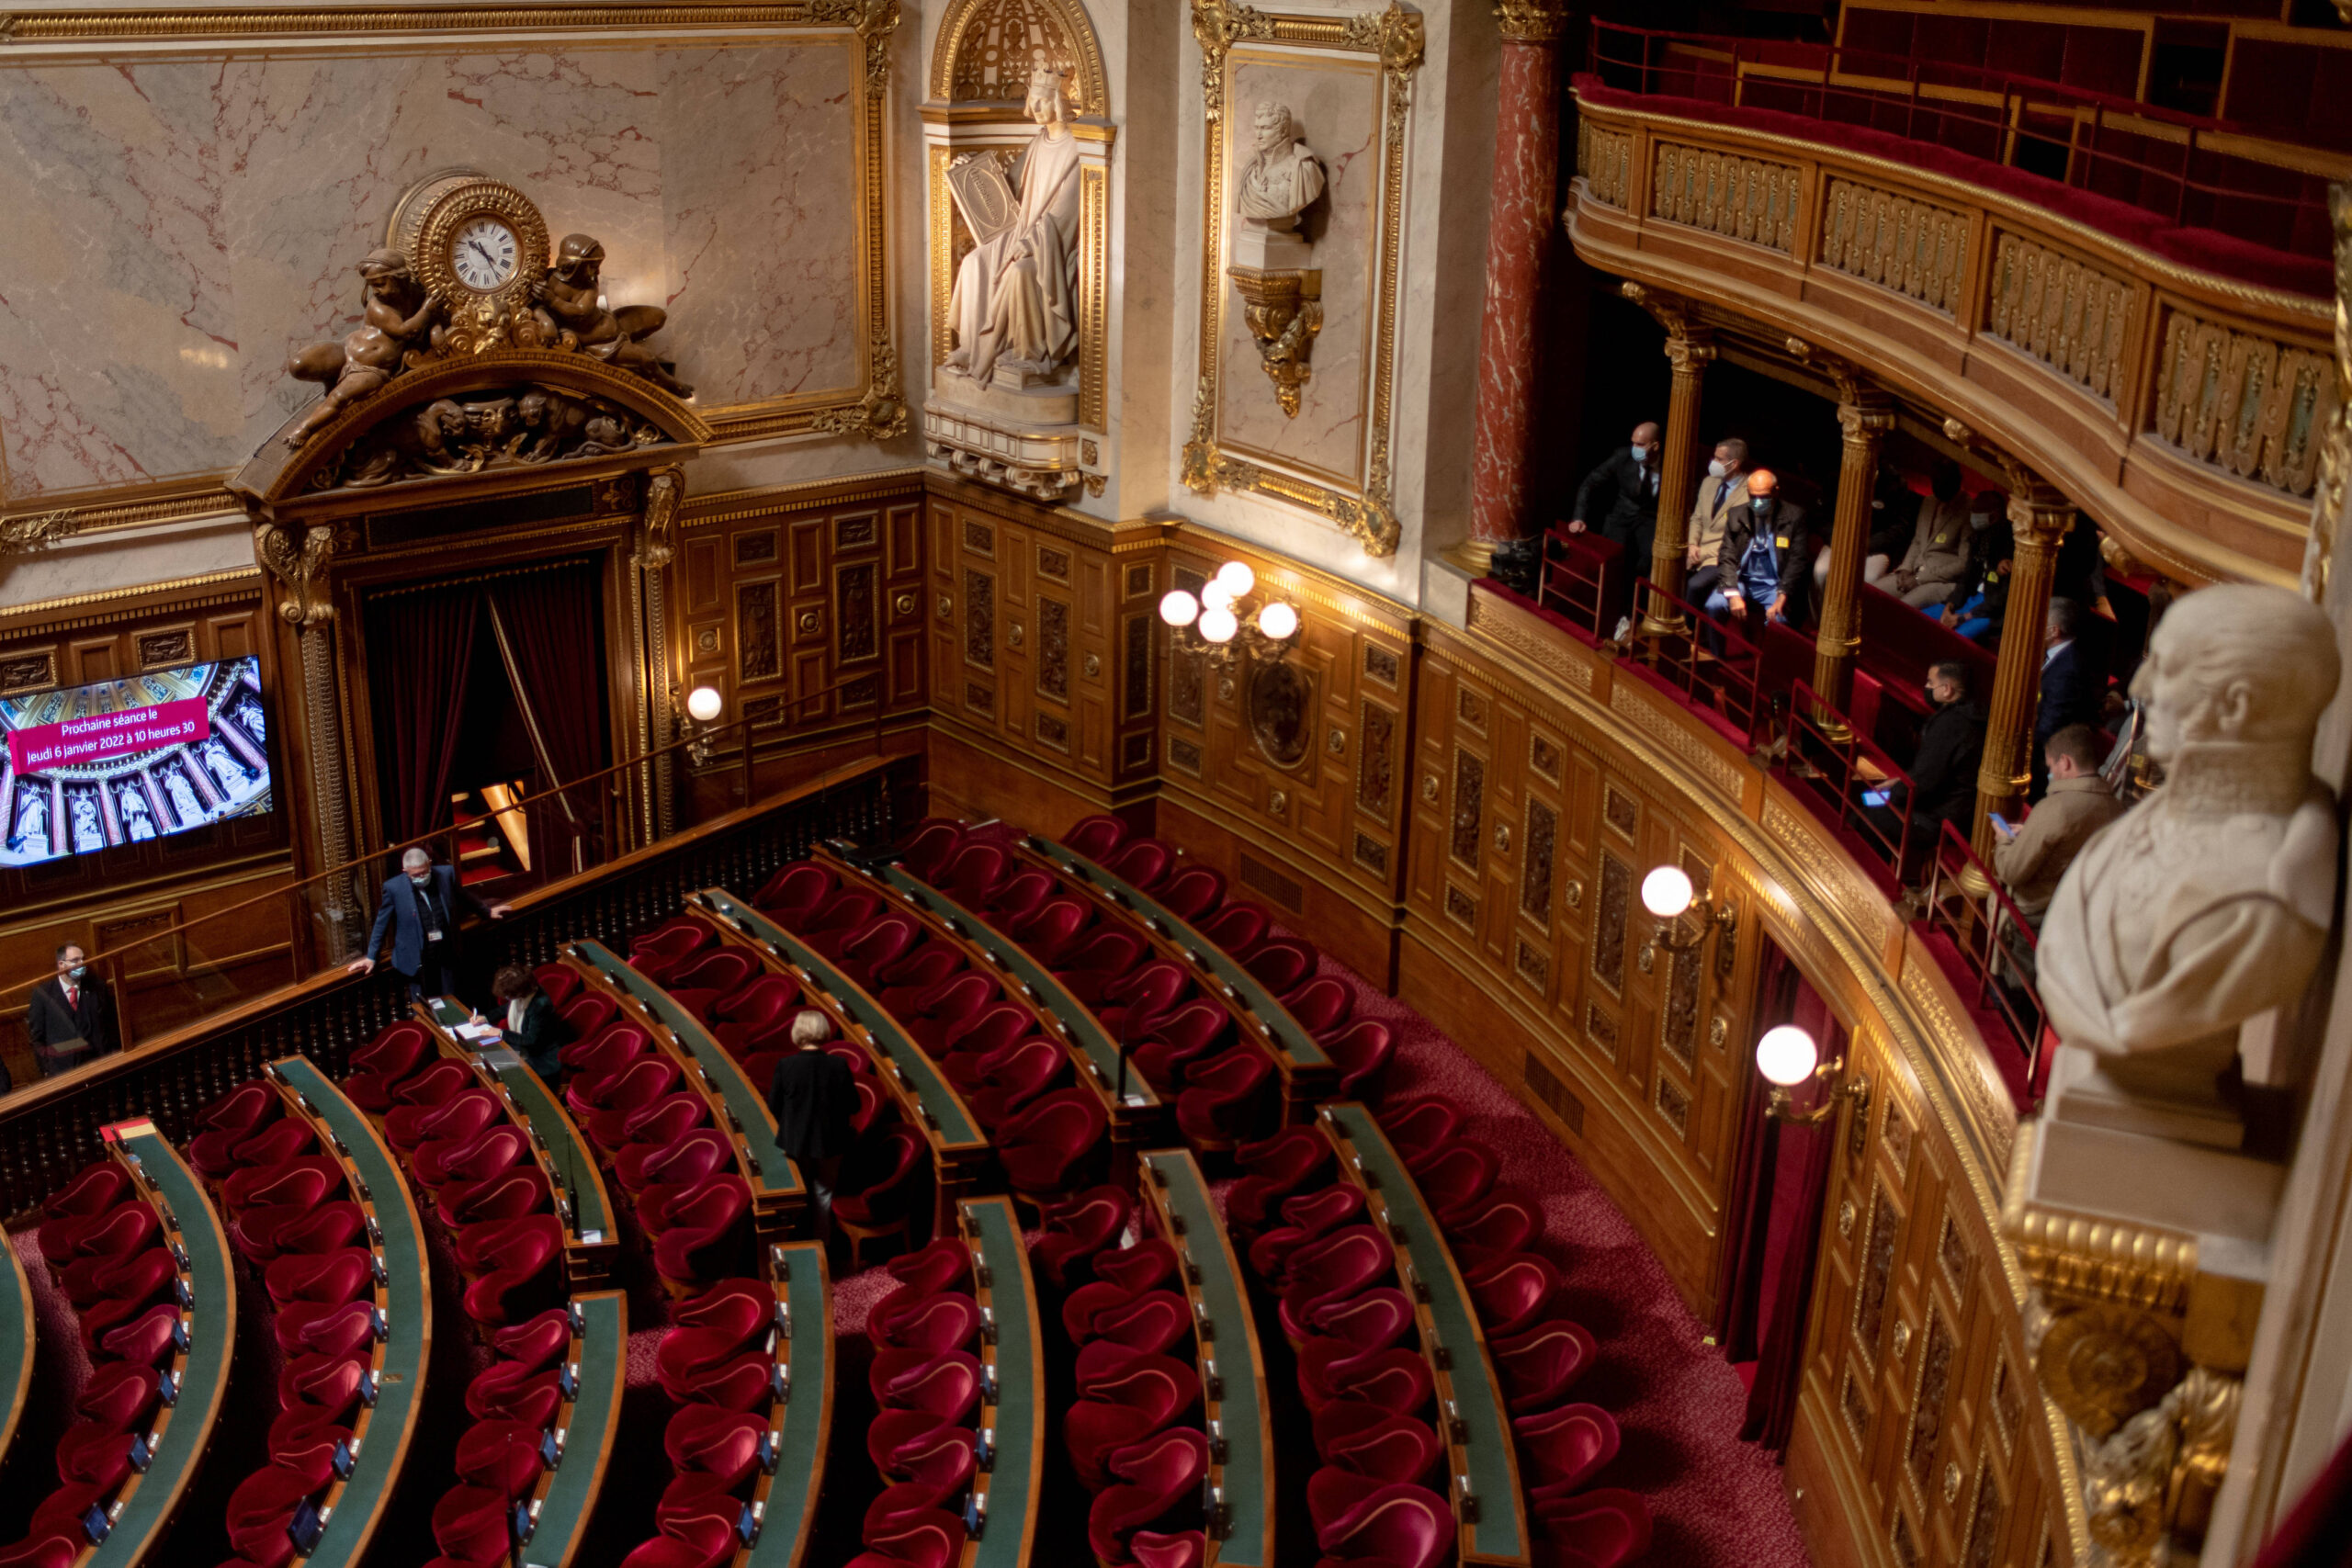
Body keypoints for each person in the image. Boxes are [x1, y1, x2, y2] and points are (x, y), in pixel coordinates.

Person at [1992, 726, 2126, 928]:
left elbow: (2011, 871)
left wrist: (2004, 839)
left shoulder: (2054, 808)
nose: (2050, 773)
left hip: (2038, 915)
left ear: (2065, 762)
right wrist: (2030, 832)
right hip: (2086, 912)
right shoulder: (2118, 809)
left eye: (2050, 766)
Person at [1864, 660, 1984, 870]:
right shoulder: (1965, 717)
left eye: (1930, 682)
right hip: (1949, 809)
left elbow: (1927, 780)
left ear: (1946, 689)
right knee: (1873, 801)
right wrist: (1900, 782)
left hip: (1939, 819)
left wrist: (1895, 793)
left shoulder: (1952, 725)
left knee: (1867, 811)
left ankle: (1872, 876)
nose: (1926, 688)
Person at [347, 847, 511, 998]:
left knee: (452, 1000)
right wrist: (371, 956)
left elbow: (464, 896)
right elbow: (381, 922)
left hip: (446, 952)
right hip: (417, 958)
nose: (421, 877)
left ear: (429, 864)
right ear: (405, 872)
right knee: (424, 1006)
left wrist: (486, 911)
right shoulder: (394, 888)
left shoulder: (446, 875)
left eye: (424, 872)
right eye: (415, 875)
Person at [765, 1010, 858, 1240]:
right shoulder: (839, 1065)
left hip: (796, 1141)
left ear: (798, 1032)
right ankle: (822, 1243)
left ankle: (799, 1241)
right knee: (823, 1194)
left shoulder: (785, 1065)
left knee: (799, 1190)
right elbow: (854, 1105)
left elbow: (774, 1106)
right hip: (831, 1141)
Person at [1707, 468, 1812, 632]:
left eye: (1763, 497)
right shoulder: (1737, 514)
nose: (1758, 501)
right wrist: (1732, 592)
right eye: (1753, 496)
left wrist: (1782, 595)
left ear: (1776, 492)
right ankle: (1715, 654)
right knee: (1713, 605)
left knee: (1778, 621)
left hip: (1774, 585)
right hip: (1743, 579)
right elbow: (1726, 555)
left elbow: (1797, 561)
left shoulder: (1795, 516)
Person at [1568, 421, 1664, 574]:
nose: (1635, 449)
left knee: (1648, 564)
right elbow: (1589, 484)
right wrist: (1578, 517)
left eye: (1640, 445)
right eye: (1633, 443)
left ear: (1655, 446)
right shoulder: (1623, 457)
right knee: (1611, 562)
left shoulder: (1670, 465)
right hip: (1622, 517)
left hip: (1650, 522)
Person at [1879, 459, 1972, 609]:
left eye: (1944, 482)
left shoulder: (1969, 510)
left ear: (1957, 481)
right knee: (1870, 592)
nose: (1938, 486)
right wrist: (1906, 568)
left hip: (1941, 581)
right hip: (1913, 571)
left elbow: (1963, 564)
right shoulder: (1929, 501)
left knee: (1901, 608)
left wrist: (1919, 578)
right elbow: (1918, 540)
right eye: (1935, 481)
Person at [2033, 597, 2100, 799]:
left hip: (2047, 757)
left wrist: (2020, 747)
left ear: (2054, 631)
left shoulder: (2068, 670)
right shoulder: (2061, 655)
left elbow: (2051, 724)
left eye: (2041, 624)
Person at [26, 943, 117, 1077]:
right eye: (75, 961)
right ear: (61, 964)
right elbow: (37, 1037)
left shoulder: (97, 987)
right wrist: (47, 1069)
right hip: (64, 1071)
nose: (82, 964)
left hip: (98, 1065)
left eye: (83, 959)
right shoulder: (43, 994)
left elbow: (111, 1023)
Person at [1685, 438, 1748, 604]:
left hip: (1720, 557)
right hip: (1695, 551)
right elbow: (1697, 518)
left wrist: (1703, 553)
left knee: (1695, 585)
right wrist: (1692, 544)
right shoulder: (1708, 482)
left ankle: (1685, 629)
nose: (1713, 462)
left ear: (1734, 464)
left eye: (1719, 459)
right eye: (1714, 457)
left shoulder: (1748, 493)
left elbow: (1738, 540)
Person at [482, 964, 569, 1084]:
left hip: (541, 1057)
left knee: (499, 1073)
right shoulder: (526, 992)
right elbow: (508, 1007)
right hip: (525, 1048)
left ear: (520, 993)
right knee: (484, 1061)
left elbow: (530, 1039)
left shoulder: (540, 1006)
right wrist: (485, 1018)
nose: (508, 999)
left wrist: (501, 1033)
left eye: (509, 996)